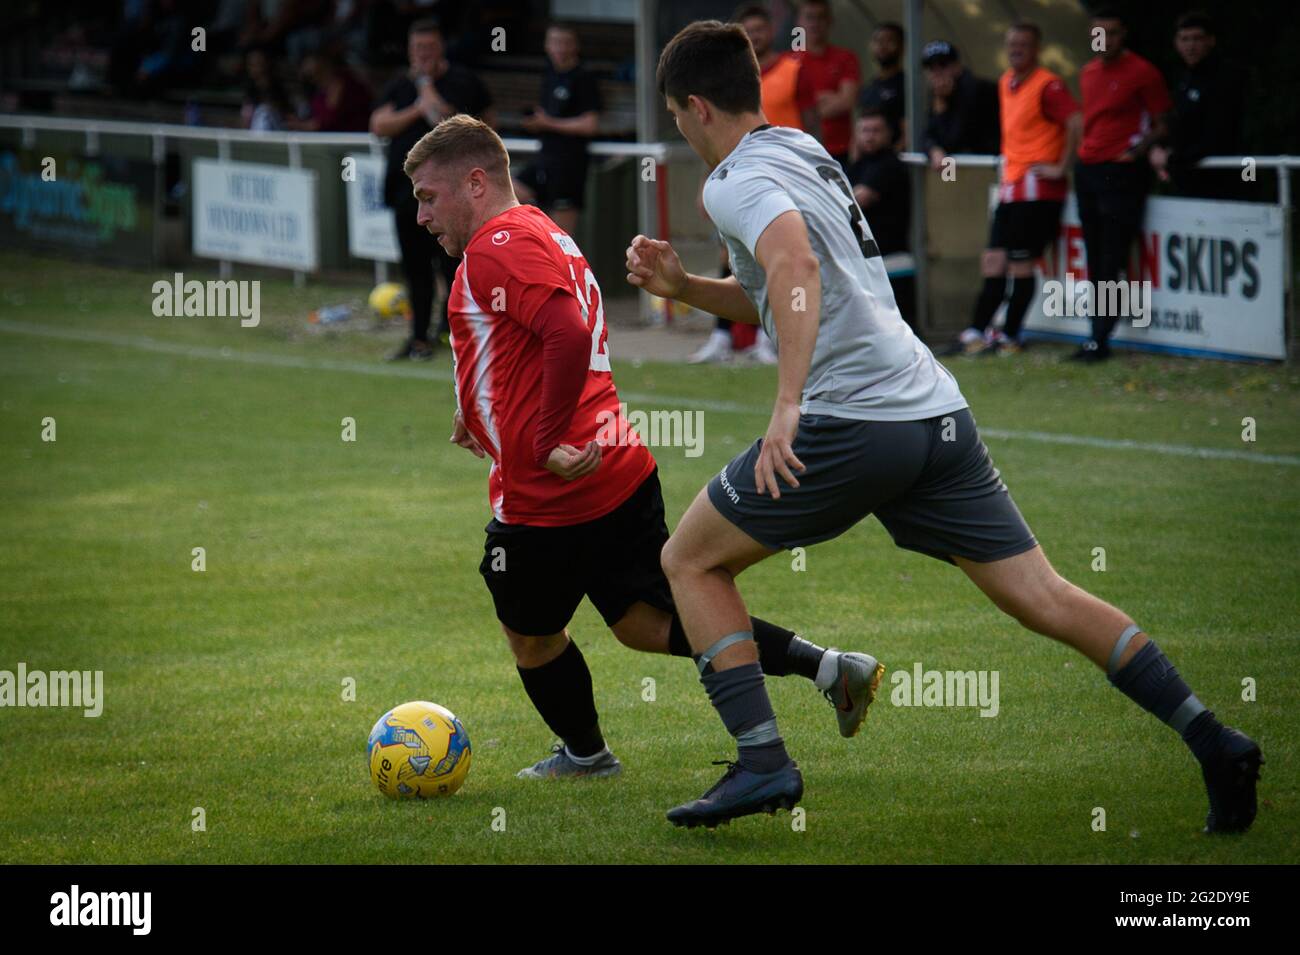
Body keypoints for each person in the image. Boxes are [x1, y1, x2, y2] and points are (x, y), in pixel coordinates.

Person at [629, 19, 1261, 831]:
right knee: (1046, 595)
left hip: (850, 420)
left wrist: (787, 402)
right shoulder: (803, 150)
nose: (678, 134)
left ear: (693, 105)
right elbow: (787, 285)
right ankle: (1215, 739)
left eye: (676, 119)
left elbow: (798, 267)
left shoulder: (731, 182)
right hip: (934, 413)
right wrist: (687, 288)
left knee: (688, 560)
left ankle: (763, 763)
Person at [404, 114, 884, 779]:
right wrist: (478, 406)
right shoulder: (541, 231)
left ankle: (586, 754)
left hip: (551, 489)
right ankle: (827, 665)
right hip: (617, 466)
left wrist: (539, 439)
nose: (422, 214)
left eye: (429, 197)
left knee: (531, 634)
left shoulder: (496, 245)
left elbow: (566, 334)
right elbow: (519, 338)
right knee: (641, 618)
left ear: (476, 183)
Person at [951, 22, 1081, 356]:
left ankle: (1011, 336)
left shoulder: (1048, 85)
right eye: (1012, 44)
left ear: (1037, 48)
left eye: (1024, 44)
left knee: (1021, 265)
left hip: (1038, 190)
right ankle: (975, 332)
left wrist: (1061, 167)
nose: (1017, 49)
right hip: (1011, 186)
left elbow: (1076, 121)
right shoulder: (1006, 83)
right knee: (993, 261)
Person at [371, 18, 492, 362]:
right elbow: (378, 124)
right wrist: (415, 107)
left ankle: (457, 336)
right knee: (415, 268)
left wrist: (426, 89)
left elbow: (446, 120)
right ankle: (418, 338)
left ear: (441, 48)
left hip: (450, 195)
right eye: (417, 49)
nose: (422, 55)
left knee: (453, 266)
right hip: (404, 194)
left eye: (429, 48)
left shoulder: (462, 81)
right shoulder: (399, 84)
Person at [688, 2, 794, 366]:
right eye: (748, 30)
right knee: (730, 253)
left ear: (772, 32)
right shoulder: (726, 79)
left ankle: (769, 337)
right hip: (738, 171)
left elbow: (809, 118)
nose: (756, 36)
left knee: (775, 252)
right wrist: (709, 178)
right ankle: (722, 335)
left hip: (782, 171)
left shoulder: (792, 69)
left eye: (760, 29)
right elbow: (716, 132)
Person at [1070, 8, 1171, 363]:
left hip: (1121, 172)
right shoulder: (1088, 73)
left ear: (1123, 34)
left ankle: (1101, 337)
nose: (1104, 41)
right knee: (1095, 256)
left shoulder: (1143, 72)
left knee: (1112, 255)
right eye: (1098, 33)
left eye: (1111, 33)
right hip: (1089, 169)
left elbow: (1161, 123)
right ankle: (1094, 335)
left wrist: (1138, 150)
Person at [513, 23, 602, 237]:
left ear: (575, 46)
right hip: (545, 160)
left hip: (569, 165)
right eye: (555, 42)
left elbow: (590, 125)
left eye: (565, 43)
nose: (560, 49)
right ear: (547, 46)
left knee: (561, 240)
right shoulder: (550, 75)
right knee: (508, 190)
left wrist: (548, 123)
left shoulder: (583, 78)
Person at [1148, 13, 1246, 201]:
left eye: (1197, 38)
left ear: (1211, 41)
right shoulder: (1184, 79)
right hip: (1186, 183)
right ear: (1176, 43)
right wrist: (1158, 148)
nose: (1190, 46)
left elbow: (1219, 135)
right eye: (1184, 39)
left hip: (1219, 183)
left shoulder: (1227, 77)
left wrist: (1171, 159)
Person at [846, 109, 913, 327]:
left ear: (888, 134)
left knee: (897, 326)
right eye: (865, 130)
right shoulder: (856, 165)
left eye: (876, 130)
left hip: (892, 260)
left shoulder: (890, 164)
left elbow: (856, 201)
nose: (869, 136)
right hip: (866, 259)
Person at [791, 0, 859, 171]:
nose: (815, 23)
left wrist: (806, 109)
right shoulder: (790, 63)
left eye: (821, 18)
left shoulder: (846, 58)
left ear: (830, 21)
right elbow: (786, 105)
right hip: (799, 151)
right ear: (799, 22)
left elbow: (846, 102)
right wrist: (828, 99)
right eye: (810, 17)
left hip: (838, 150)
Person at [921, 41, 1000, 169]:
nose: (937, 73)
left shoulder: (976, 89)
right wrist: (933, 149)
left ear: (957, 66)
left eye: (943, 65)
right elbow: (927, 134)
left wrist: (941, 109)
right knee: (947, 179)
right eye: (931, 68)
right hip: (963, 170)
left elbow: (953, 142)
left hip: (989, 168)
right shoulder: (938, 93)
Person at [857, 22, 907, 147]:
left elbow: (909, 132)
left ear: (902, 47)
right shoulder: (869, 88)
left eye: (889, 41)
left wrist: (891, 159)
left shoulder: (907, 86)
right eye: (878, 41)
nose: (882, 46)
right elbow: (859, 129)